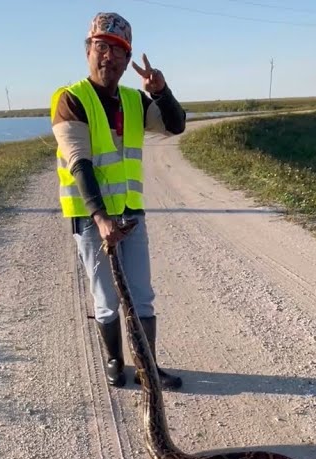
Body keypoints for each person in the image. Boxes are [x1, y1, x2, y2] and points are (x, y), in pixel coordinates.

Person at [50, 11, 186, 390]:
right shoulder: (71, 100)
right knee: (107, 297)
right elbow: (79, 162)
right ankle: (114, 359)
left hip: (130, 213)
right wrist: (99, 217)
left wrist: (161, 91)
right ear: (88, 51)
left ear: (128, 61)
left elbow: (175, 125)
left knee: (142, 295)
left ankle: (147, 366)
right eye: (101, 46)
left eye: (118, 50)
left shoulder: (134, 100)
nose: (109, 56)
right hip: (91, 217)